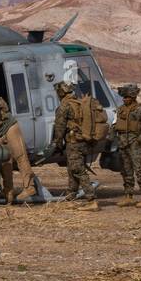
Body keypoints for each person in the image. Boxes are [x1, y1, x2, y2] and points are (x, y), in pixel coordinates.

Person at [48, 80, 99, 210]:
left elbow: (60, 128)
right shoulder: (79, 102)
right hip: (83, 142)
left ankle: (91, 200)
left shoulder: (64, 106)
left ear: (60, 92)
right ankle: (71, 197)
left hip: (74, 142)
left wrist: (56, 144)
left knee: (77, 170)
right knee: (72, 169)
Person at [113, 83, 141, 207]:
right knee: (126, 170)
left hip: (134, 143)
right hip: (122, 143)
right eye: (124, 97)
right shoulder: (120, 109)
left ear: (132, 98)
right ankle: (128, 196)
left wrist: (140, 139)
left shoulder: (140, 110)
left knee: (139, 170)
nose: (124, 99)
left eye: (127, 97)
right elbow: (115, 124)